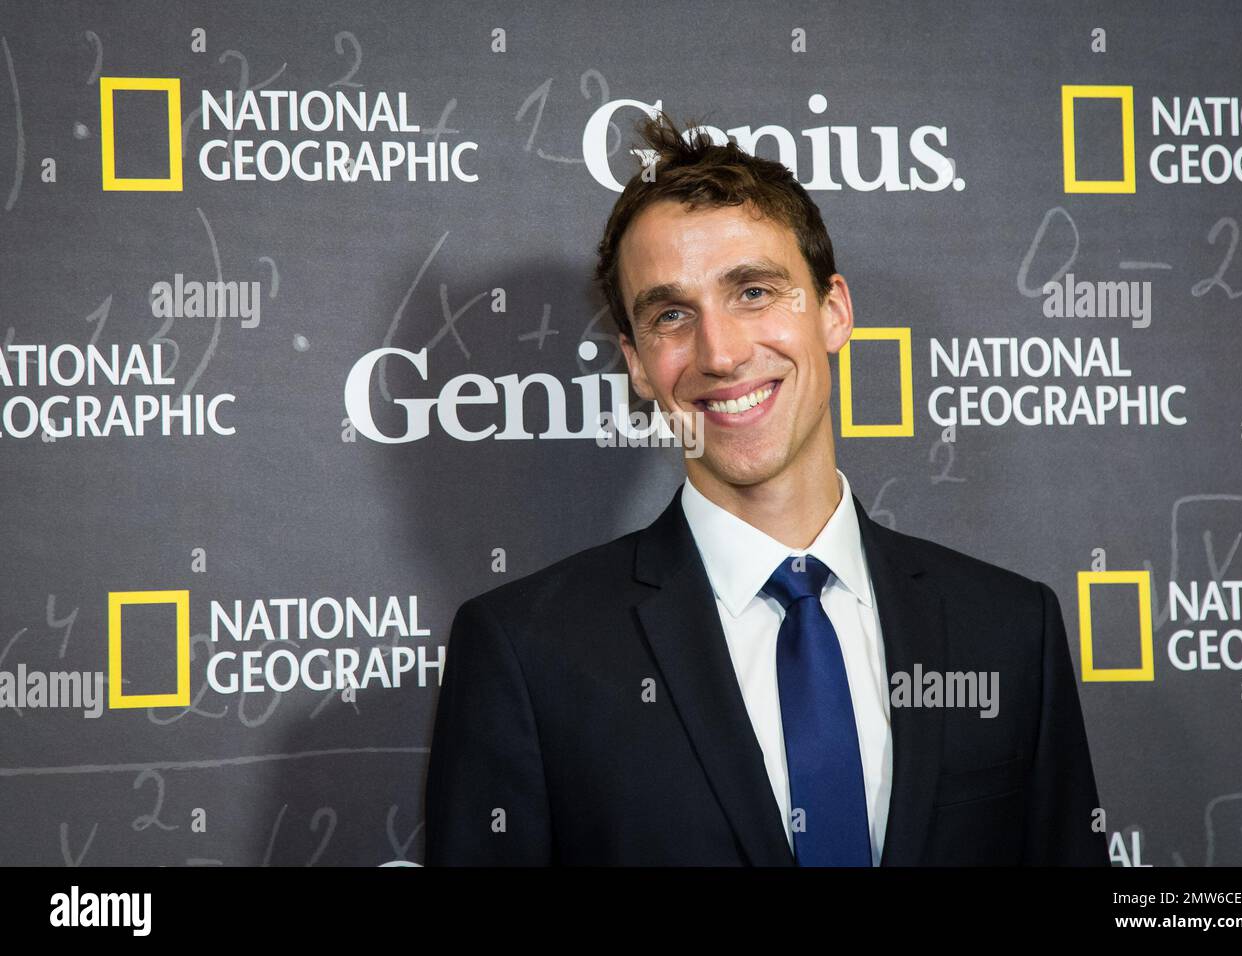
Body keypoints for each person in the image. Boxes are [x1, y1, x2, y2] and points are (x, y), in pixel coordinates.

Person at [423, 110, 1109, 866]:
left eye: (752, 292)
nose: (720, 353)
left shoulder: (1010, 629)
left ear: (833, 311)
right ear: (638, 364)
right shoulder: (526, 655)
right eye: (672, 314)